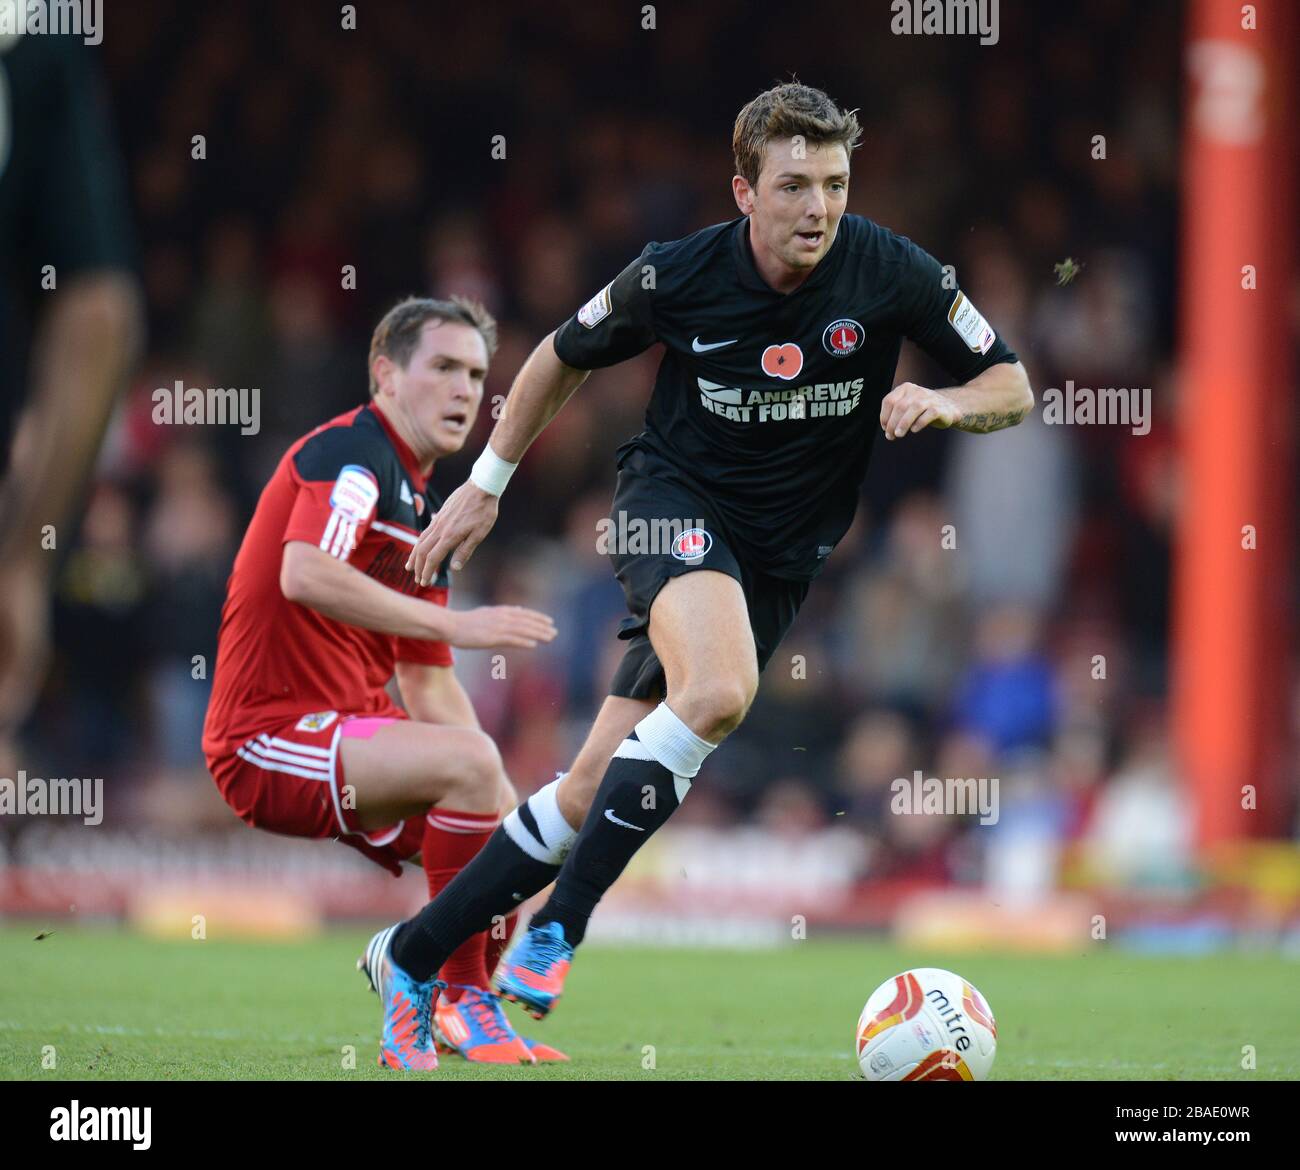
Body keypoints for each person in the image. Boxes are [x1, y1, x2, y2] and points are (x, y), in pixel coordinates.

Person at [402, 82, 1034, 1027]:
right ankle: (558, 931)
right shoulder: (677, 274)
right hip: (672, 503)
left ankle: (409, 957)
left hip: (778, 558)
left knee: (589, 785)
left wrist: (947, 402)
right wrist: (486, 484)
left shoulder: (892, 270)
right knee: (720, 689)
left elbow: (1011, 383)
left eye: (834, 183)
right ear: (744, 192)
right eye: (792, 186)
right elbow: (558, 356)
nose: (818, 207)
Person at [202, 296, 562, 1069]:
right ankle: (445, 984)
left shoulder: (425, 504)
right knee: (477, 782)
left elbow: (427, 683)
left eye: (476, 374)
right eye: (443, 368)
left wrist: (500, 792)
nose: (466, 390)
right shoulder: (353, 460)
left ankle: (457, 1003)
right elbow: (306, 574)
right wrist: (459, 627)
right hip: (268, 739)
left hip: (352, 737)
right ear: (385, 373)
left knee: (511, 845)